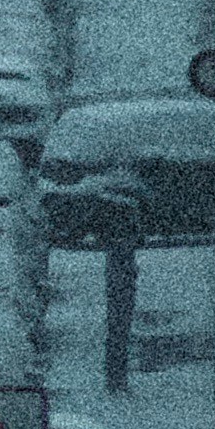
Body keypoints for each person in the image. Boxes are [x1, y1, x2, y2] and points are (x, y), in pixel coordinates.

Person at [86, 165, 144, 392]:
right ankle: (116, 378)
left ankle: (115, 377)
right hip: (121, 276)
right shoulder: (128, 205)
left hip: (119, 275)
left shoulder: (108, 205)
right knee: (119, 325)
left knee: (117, 326)